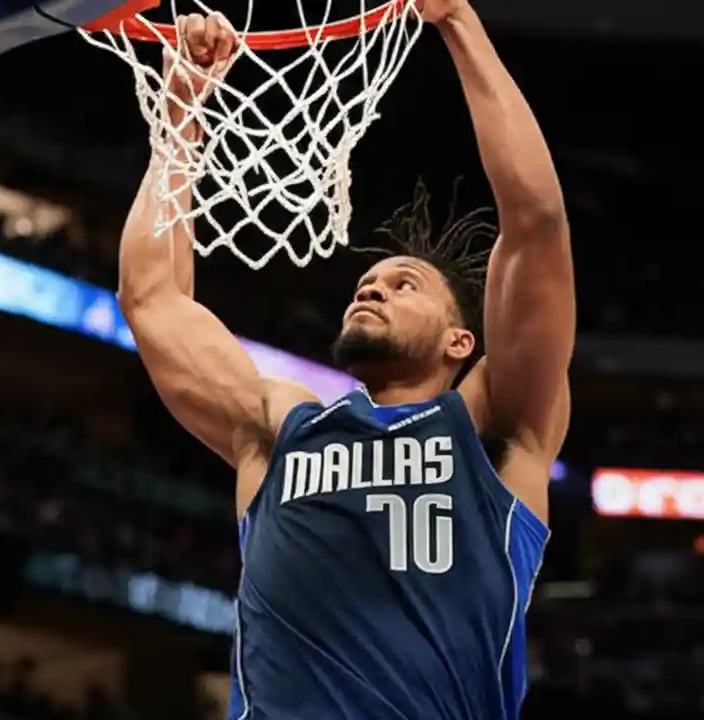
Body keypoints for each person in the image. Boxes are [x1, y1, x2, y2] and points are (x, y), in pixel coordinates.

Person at [117, 0, 573, 717]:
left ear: (463, 341)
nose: (372, 286)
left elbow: (538, 223)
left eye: (405, 284)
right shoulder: (280, 424)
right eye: (369, 281)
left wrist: (457, 21)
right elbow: (151, 298)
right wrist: (180, 117)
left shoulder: (494, 429)